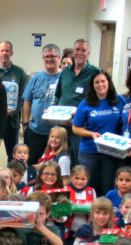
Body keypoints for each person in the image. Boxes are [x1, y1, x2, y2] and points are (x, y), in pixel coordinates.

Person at [73, 70, 123, 194]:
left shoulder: (120, 100)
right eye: (96, 82)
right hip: (89, 151)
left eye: (103, 81)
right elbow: (75, 128)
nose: (100, 85)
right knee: (89, 188)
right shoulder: (85, 104)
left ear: (108, 83)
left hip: (111, 152)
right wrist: (91, 134)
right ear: (92, 85)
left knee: (108, 187)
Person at [53, 39, 100, 167]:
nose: (80, 53)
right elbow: (58, 96)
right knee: (59, 158)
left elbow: (98, 100)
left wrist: (80, 119)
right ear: (73, 52)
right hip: (61, 124)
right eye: (77, 50)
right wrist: (53, 112)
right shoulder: (65, 72)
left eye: (83, 50)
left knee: (78, 161)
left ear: (88, 53)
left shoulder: (95, 73)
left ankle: (78, 186)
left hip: (80, 126)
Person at [20, 44, 63, 166]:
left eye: (52, 56)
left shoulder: (64, 78)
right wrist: (25, 124)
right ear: (43, 58)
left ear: (58, 57)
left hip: (57, 132)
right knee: (32, 164)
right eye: (46, 57)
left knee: (54, 166)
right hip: (35, 131)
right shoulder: (35, 79)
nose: (49, 59)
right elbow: (27, 101)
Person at [0, 41, 29, 153]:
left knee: (13, 154)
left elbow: (23, 96)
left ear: (11, 53)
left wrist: (12, 111)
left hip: (12, 122)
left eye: (7, 50)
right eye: (2, 50)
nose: (4, 53)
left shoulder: (19, 72)